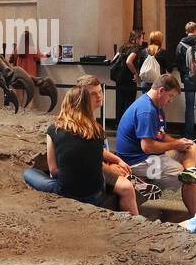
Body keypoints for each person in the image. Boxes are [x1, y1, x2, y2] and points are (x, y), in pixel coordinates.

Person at [44, 75, 138, 213]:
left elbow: (96, 151)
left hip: (91, 172)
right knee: (126, 187)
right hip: (86, 176)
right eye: (93, 94)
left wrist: (116, 160)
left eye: (100, 92)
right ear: (81, 97)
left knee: (127, 186)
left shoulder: (91, 121)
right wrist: (109, 168)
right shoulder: (76, 124)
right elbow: (83, 155)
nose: (99, 96)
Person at [115, 74, 196, 216]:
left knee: (191, 147)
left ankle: (189, 171)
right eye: (170, 96)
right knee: (187, 179)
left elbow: (160, 135)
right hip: (139, 162)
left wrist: (180, 142)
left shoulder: (156, 105)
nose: (171, 100)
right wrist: (175, 145)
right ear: (161, 90)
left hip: (149, 157)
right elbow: (147, 147)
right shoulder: (147, 110)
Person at [111, 30, 143, 124]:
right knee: (129, 102)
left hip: (119, 78)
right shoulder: (135, 49)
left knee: (120, 102)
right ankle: (126, 123)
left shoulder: (123, 47)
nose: (142, 40)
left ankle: (119, 123)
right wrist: (135, 73)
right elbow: (129, 61)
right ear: (136, 39)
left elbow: (114, 59)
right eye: (141, 38)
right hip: (129, 79)